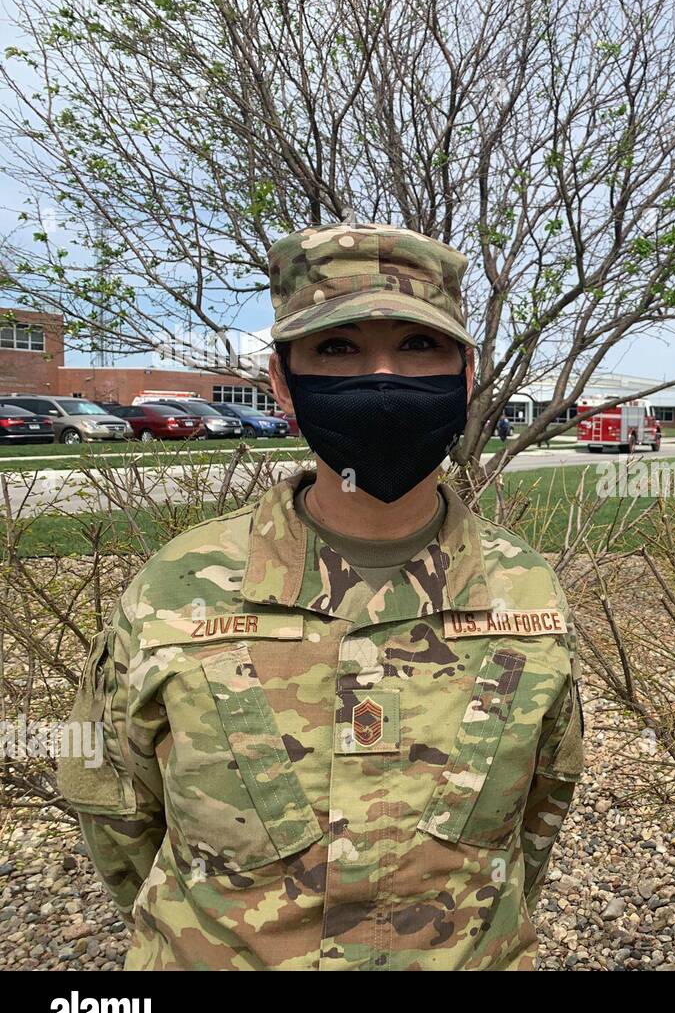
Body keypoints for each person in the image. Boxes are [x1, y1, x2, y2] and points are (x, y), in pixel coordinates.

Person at [56, 223, 583, 970]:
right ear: (282, 380)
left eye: (417, 346)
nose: (383, 379)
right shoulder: (175, 592)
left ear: (465, 375)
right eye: (337, 349)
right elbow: (118, 815)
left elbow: (537, 819)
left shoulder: (525, 594)